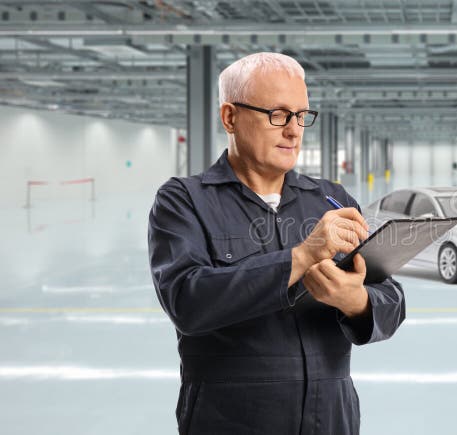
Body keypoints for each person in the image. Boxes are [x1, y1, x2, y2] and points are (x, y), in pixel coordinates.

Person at [147, 52, 405, 435]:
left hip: (331, 419)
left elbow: (391, 299)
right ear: (230, 117)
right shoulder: (184, 201)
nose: (294, 130)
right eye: (279, 114)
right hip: (230, 422)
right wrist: (300, 258)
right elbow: (187, 301)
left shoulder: (331, 199)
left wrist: (356, 302)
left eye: (302, 115)